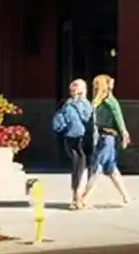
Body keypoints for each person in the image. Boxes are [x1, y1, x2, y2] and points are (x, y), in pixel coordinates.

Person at [81, 74, 132, 206]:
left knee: (98, 167)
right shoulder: (103, 102)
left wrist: (124, 133)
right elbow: (116, 118)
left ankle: (84, 197)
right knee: (111, 169)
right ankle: (126, 196)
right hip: (105, 137)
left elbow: (118, 117)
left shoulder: (103, 102)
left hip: (106, 138)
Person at [51, 78, 94, 210]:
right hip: (83, 138)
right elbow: (89, 120)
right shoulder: (86, 105)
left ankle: (76, 196)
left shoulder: (66, 105)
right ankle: (78, 197)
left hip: (70, 138)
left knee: (76, 168)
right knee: (83, 168)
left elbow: (59, 123)